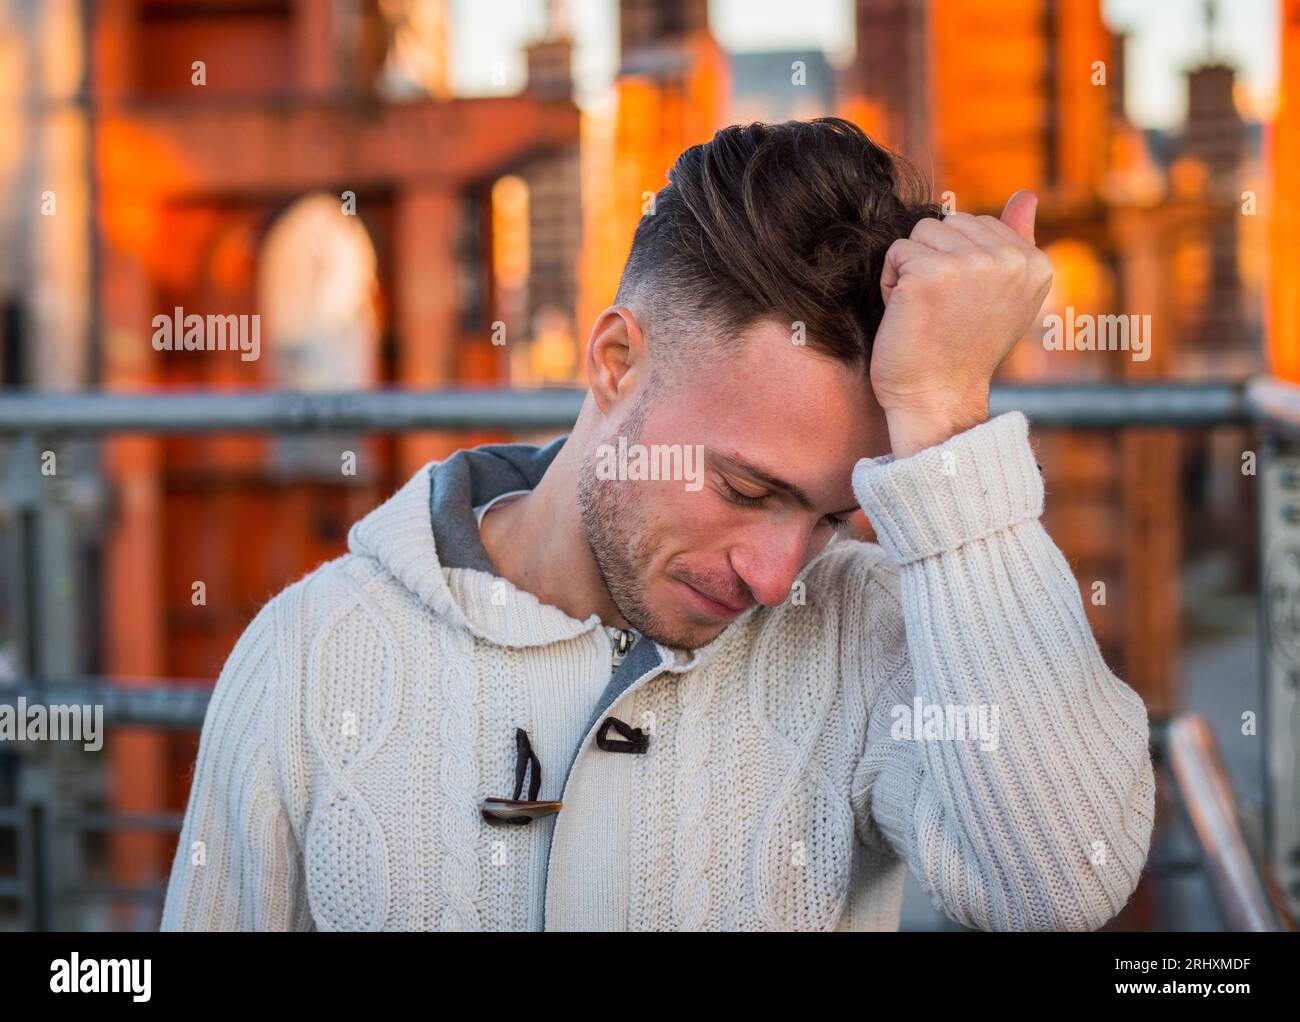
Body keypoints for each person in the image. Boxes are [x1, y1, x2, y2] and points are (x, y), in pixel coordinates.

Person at [160, 117, 1155, 932]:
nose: (774, 575)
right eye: (744, 486)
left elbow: (1065, 876)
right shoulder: (305, 662)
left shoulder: (864, 631)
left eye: (826, 516)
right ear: (613, 361)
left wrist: (945, 423)